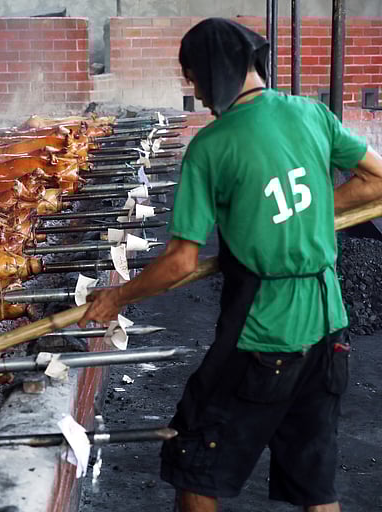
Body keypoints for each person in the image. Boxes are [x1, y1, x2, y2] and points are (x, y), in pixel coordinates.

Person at [78, 17, 382, 512]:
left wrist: (115, 296)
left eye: (194, 79)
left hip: (264, 336)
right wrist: (308, 218)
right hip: (329, 331)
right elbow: (376, 181)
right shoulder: (310, 113)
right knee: (316, 488)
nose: (196, 94)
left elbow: (179, 262)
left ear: (214, 72)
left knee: (196, 464)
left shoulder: (211, 147)